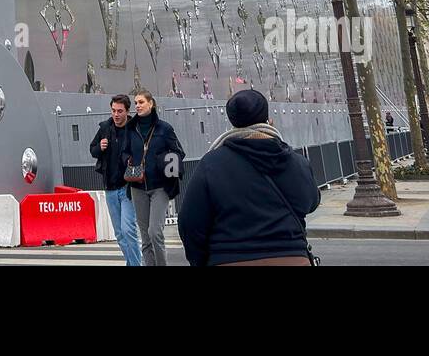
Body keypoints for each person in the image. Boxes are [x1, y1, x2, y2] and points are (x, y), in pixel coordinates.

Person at [178, 89, 320, 266]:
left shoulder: (211, 164)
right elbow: (311, 202)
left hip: (230, 256)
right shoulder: (296, 162)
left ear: (232, 121)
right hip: (290, 255)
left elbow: (189, 223)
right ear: (268, 119)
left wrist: (201, 260)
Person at [120, 90, 185, 266]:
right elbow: (124, 151)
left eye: (141, 102)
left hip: (160, 187)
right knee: (145, 236)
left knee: (154, 231)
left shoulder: (164, 128)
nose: (137, 106)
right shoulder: (131, 128)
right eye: (136, 103)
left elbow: (179, 152)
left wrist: (162, 162)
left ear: (151, 104)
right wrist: (128, 160)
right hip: (137, 186)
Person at [89, 94, 140, 266]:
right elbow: (93, 150)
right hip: (110, 188)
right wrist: (100, 147)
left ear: (127, 111)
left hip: (128, 188)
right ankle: (132, 262)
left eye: (120, 111)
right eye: (113, 111)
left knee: (128, 229)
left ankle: (135, 265)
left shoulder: (135, 129)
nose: (116, 115)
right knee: (119, 233)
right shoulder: (105, 128)